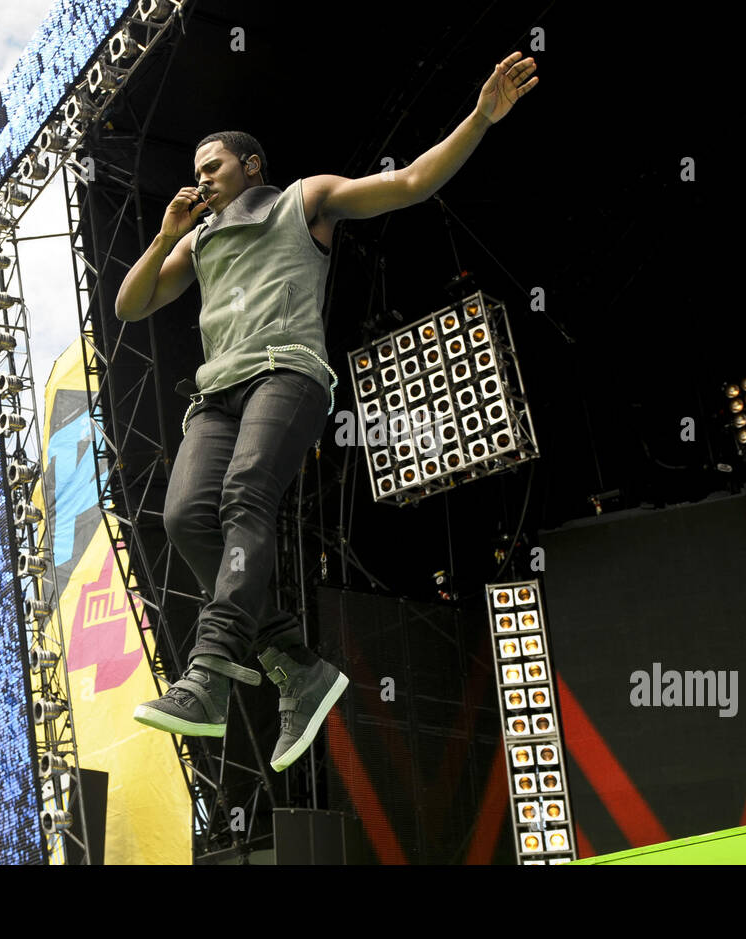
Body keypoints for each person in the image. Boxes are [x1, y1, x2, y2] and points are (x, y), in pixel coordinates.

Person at [115, 51, 539, 772]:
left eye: (213, 165)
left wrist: (479, 118)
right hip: (217, 394)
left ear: (252, 166)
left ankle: (210, 671)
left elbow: (408, 182)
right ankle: (294, 664)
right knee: (186, 516)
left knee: (247, 493)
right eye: (195, 169)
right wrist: (164, 236)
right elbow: (131, 304)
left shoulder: (301, 201)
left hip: (288, 376)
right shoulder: (198, 239)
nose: (201, 178)